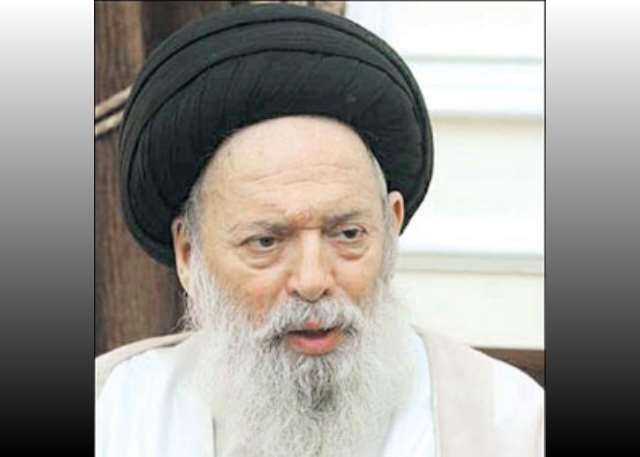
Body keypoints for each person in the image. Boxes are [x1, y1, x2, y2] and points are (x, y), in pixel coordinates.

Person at [96, 4, 544, 457]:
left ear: (391, 227)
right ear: (189, 253)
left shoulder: (510, 425)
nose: (312, 282)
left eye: (348, 235)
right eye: (266, 242)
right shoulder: (112, 415)